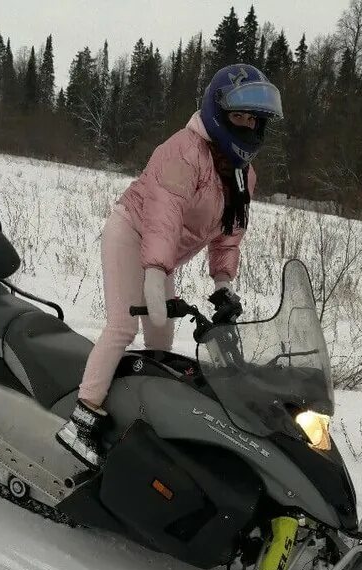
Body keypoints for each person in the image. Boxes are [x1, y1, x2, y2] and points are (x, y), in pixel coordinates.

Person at [58, 64, 283, 467]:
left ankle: (140, 411)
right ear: (218, 112)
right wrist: (156, 271)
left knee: (161, 339)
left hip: (163, 257)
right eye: (239, 116)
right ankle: (82, 415)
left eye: (254, 118)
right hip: (132, 232)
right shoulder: (183, 151)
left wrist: (223, 282)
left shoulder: (243, 175)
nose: (247, 126)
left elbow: (230, 233)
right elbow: (163, 213)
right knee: (122, 325)